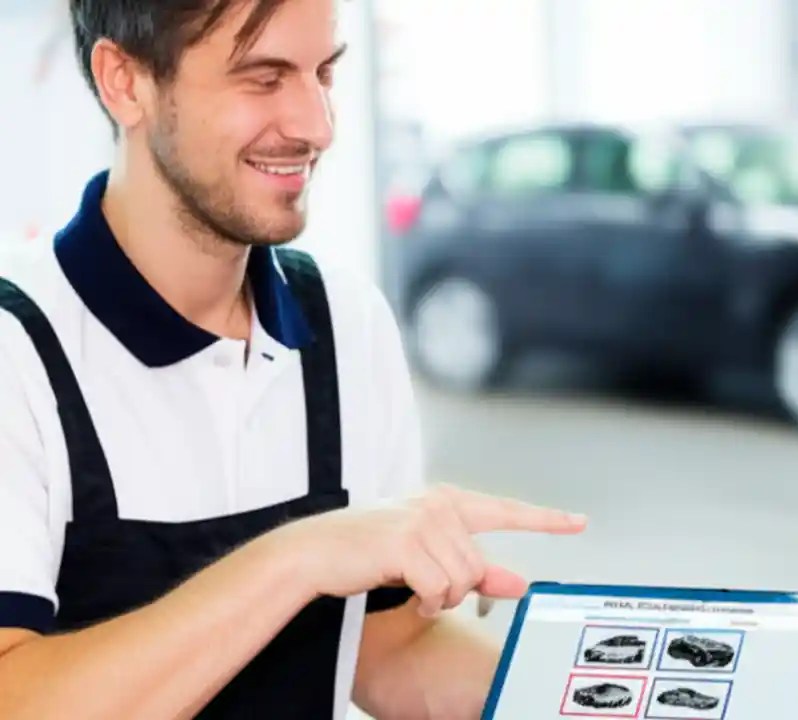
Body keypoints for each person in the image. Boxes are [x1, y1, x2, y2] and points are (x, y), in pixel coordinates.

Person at [0, 0, 587, 717]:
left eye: (324, 73)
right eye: (264, 78)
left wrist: (601, 698)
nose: (317, 125)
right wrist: (298, 559)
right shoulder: (19, 353)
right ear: (126, 81)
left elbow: (385, 648)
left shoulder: (345, 320)